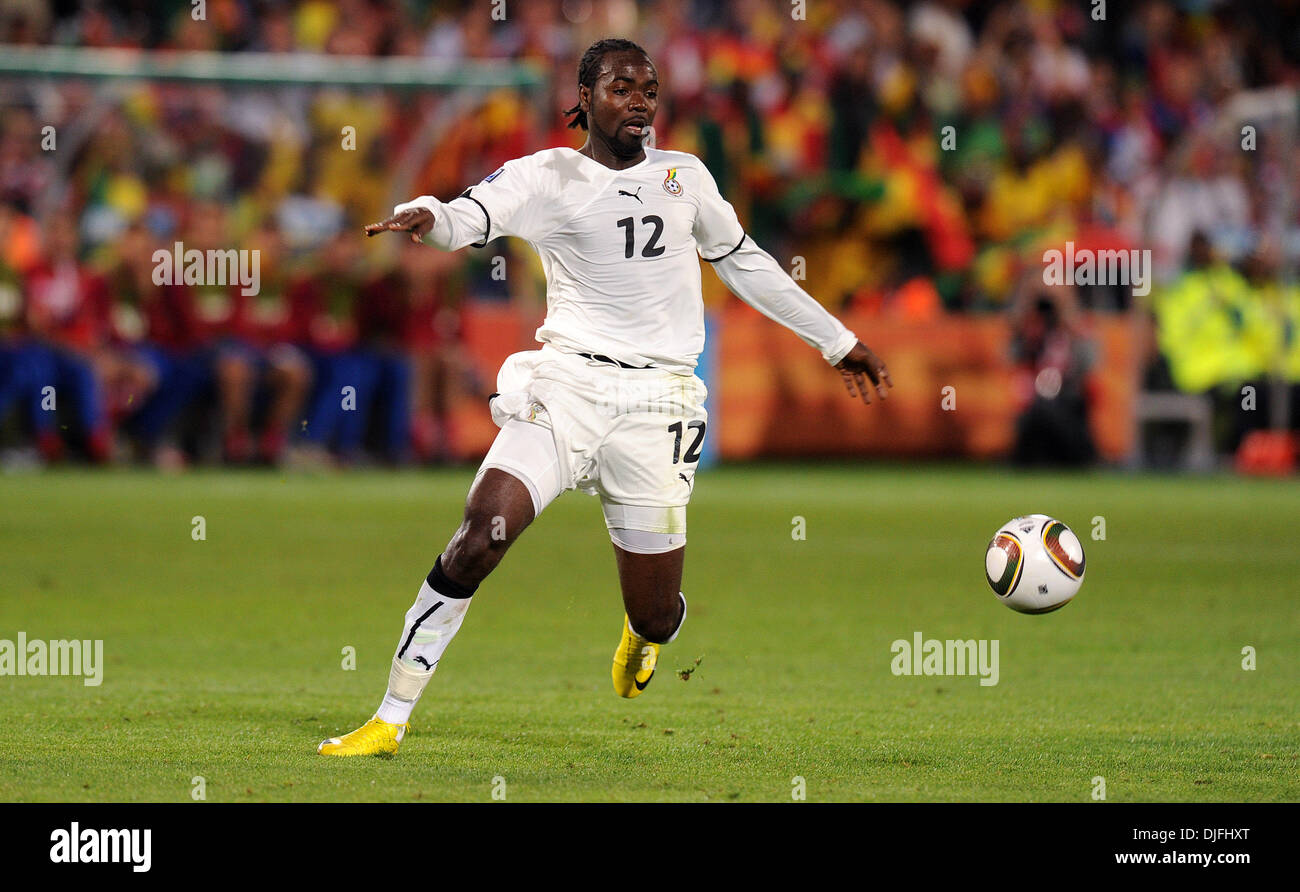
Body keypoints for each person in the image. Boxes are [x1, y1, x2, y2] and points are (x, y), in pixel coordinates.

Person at [319, 38, 892, 757]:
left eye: (649, 90)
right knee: (480, 534)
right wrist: (423, 214)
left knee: (654, 614)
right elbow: (469, 215)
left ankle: (642, 637)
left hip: (658, 404)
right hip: (569, 387)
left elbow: (747, 264)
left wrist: (838, 340)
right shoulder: (547, 176)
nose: (640, 103)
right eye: (622, 88)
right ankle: (389, 718)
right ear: (584, 97)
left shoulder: (686, 178)